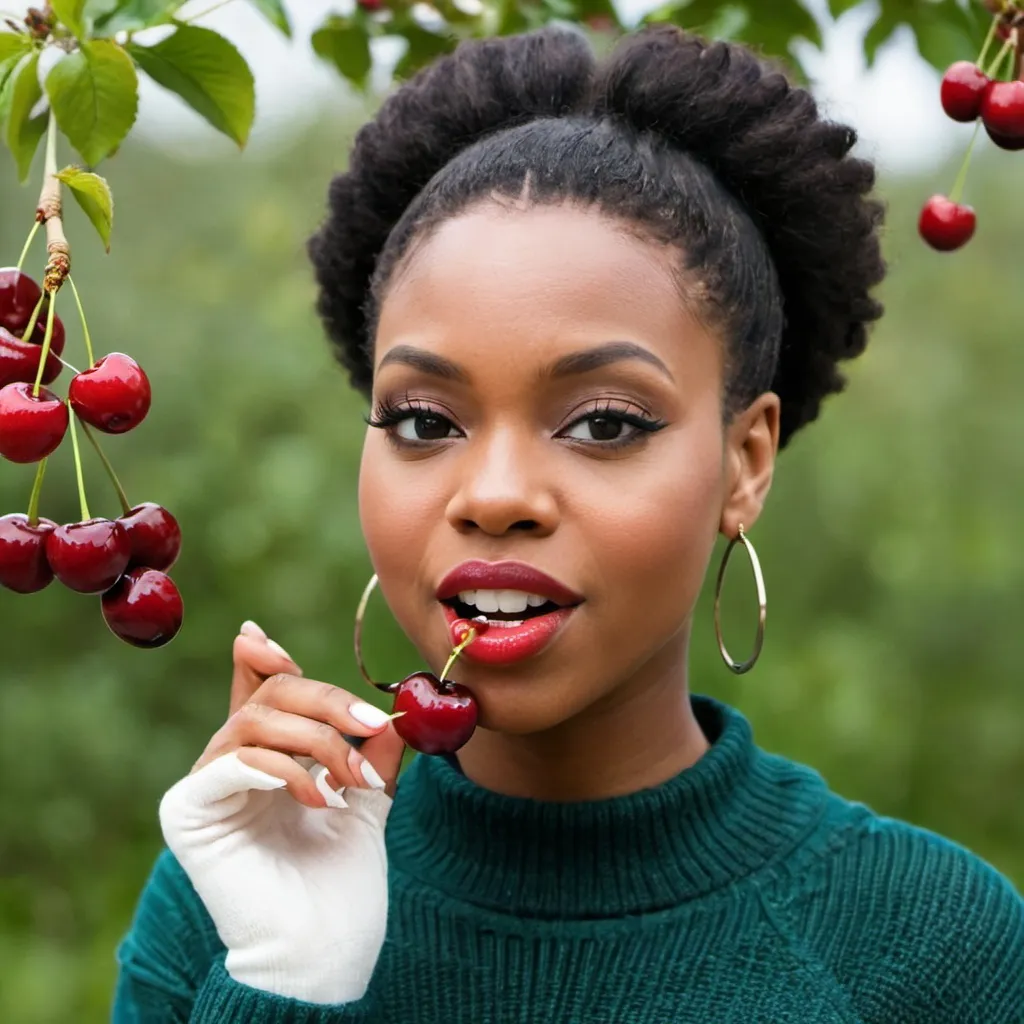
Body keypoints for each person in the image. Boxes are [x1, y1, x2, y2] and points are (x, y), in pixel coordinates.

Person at [112, 24, 1024, 1024]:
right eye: (424, 421)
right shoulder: (229, 895)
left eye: (603, 423)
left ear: (744, 463)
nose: (495, 493)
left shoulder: (931, 946)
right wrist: (291, 974)